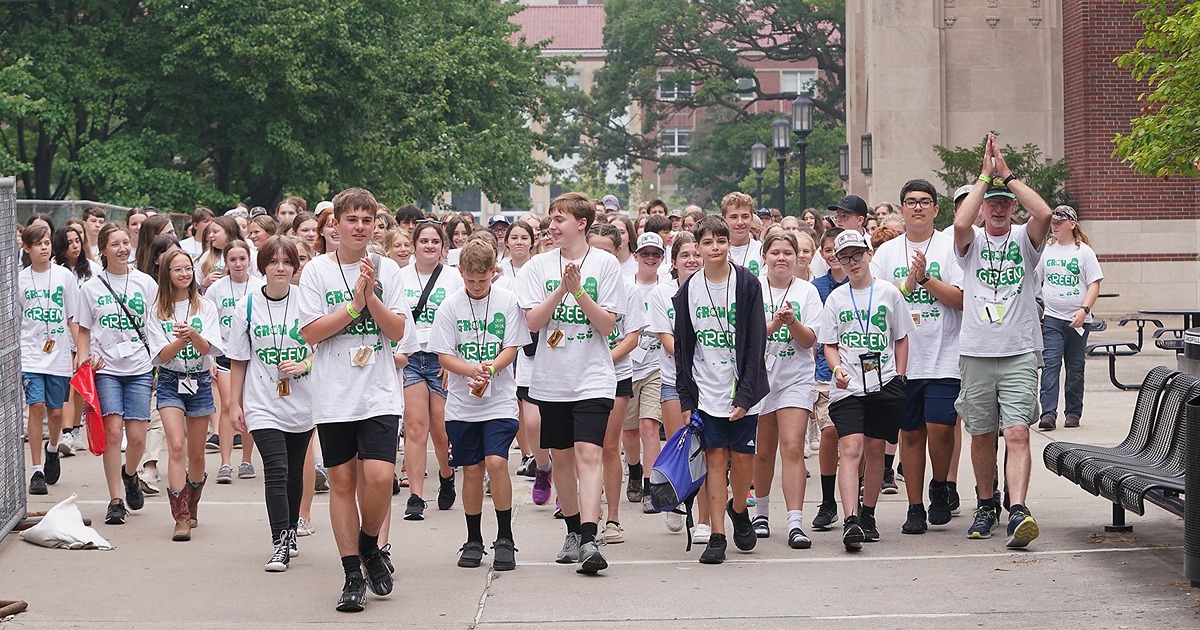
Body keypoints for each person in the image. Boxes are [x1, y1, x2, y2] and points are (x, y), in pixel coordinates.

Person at [298, 188, 408, 612]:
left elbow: (397, 331)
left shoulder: (387, 268)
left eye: (367, 220)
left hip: (378, 392)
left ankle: (368, 544)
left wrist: (371, 298)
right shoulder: (316, 271)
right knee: (342, 483)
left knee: (380, 477)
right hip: (334, 393)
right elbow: (310, 332)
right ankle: (351, 574)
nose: (360, 227)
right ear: (335, 225)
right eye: (352, 220)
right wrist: (352, 306)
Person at [515, 191, 627, 575]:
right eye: (550, 219)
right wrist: (561, 289)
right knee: (561, 457)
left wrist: (579, 290)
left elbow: (608, 324)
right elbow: (532, 322)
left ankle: (591, 537)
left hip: (593, 377)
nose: (552, 226)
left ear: (581, 223)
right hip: (551, 379)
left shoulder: (605, 264)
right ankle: (573, 530)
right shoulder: (538, 266)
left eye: (560, 219)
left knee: (589, 453)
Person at [953, 134, 1052, 548]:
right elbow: (960, 224)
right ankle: (985, 503)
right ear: (983, 207)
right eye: (991, 202)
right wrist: (983, 176)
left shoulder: (1025, 240)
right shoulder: (971, 241)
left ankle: (1019, 510)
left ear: (1012, 207)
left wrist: (1007, 175)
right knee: (980, 434)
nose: (996, 208)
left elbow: (1044, 213)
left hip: (1018, 351)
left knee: (1017, 433)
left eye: (1004, 203)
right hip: (977, 352)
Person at [429, 240, 530, 571]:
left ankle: (505, 537)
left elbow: (512, 346)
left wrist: (491, 369)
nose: (476, 286)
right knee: (472, 469)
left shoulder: (507, 301)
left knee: (497, 462)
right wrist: (471, 370)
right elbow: (444, 355)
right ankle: (473, 538)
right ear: (461, 273)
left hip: (499, 400)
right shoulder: (450, 306)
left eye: (482, 280)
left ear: (493, 272)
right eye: (470, 280)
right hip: (462, 403)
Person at [870, 179, 965, 534]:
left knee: (941, 429)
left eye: (925, 201)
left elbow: (961, 299)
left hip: (944, 355)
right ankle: (914, 507)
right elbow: (874, 301)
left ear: (936, 209)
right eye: (911, 202)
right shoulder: (886, 253)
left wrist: (925, 280)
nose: (918, 207)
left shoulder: (951, 247)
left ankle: (939, 485)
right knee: (909, 434)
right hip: (903, 360)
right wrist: (906, 285)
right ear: (902, 209)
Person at [674, 215, 769, 564]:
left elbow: (756, 341)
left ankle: (738, 509)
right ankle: (717, 534)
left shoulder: (746, 283)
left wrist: (746, 394)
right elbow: (683, 348)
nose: (715, 247)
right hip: (707, 389)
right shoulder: (688, 290)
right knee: (714, 458)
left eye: (721, 241)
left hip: (743, 388)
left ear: (729, 243)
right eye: (708, 242)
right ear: (697, 247)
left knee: (742, 460)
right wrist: (687, 398)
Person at [818, 230, 913, 552]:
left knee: (875, 451)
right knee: (850, 448)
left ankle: (868, 514)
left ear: (869, 254)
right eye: (844, 257)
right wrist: (836, 369)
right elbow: (829, 344)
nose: (852, 262)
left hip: (884, 383)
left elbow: (901, 336)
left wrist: (900, 375)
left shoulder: (889, 293)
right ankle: (850, 519)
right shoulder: (836, 299)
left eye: (857, 254)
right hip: (847, 388)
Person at [228, 236, 315, 571]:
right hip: (262, 401)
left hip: (302, 401)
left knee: (293, 471)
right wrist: (234, 404)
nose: (281, 268)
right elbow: (239, 359)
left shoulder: (307, 301)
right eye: (273, 262)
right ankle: (280, 541)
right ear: (262, 266)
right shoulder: (247, 306)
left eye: (287, 262)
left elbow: (323, 350)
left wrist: (303, 364)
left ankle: (291, 531)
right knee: (276, 469)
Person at [76, 223, 158, 525]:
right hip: (106, 369)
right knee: (112, 433)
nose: (122, 249)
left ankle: (130, 474)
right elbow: (84, 328)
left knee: (137, 438)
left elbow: (157, 322)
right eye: (115, 244)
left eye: (126, 243)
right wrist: (84, 358)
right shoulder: (91, 287)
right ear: (103, 250)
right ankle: (115, 501)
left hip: (139, 367)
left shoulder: (145, 283)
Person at [146, 247, 224, 541]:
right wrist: (181, 340)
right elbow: (161, 355)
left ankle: (192, 503)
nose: (184, 274)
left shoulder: (205, 306)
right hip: (169, 381)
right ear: (166, 274)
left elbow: (209, 349)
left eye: (188, 268)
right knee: (176, 446)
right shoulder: (157, 310)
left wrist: (193, 334)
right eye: (177, 269)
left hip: (199, 380)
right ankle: (180, 516)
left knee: (197, 453)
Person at [752, 230, 822, 549]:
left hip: (795, 378)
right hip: (760, 379)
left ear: (798, 257)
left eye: (788, 253)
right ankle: (761, 514)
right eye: (775, 252)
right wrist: (775, 324)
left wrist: (792, 322)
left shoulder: (808, 291)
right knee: (763, 450)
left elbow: (809, 341)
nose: (781, 258)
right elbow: (748, 336)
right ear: (764, 256)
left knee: (792, 447)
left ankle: (795, 522)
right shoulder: (752, 288)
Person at [399, 222, 464, 520]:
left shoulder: (453, 278)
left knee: (441, 429)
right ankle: (415, 496)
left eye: (434, 241)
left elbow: (462, 320)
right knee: (415, 427)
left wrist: (454, 360)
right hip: (411, 356)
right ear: (414, 244)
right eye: (423, 241)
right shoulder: (400, 277)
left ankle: (446, 476)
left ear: (443, 246)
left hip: (441, 358)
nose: (429, 246)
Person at [586, 224, 645, 545]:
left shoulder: (628, 288)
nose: (601, 257)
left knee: (609, 445)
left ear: (619, 251)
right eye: (595, 250)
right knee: (585, 447)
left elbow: (632, 337)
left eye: (607, 251)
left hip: (615, 373)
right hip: (579, 377)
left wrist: (603, 359)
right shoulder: (576, 287)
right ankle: (588, 513)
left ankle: (613, 517)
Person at [19, 224, 81, 495]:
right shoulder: (20, 280)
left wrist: (80, 351)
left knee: (56, 412)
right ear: (27, 248)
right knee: (37, 407)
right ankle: (36, 470)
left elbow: (73, 317)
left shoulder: (64, 276)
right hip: (31, 353)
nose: (44, 248)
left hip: (58, 353)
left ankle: (52, 449)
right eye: (38, 244)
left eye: (46, 243)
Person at [647, 231, 702, 537]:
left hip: (711, 382)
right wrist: (699, 353)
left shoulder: (713, 288)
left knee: (707, 452)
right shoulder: (661, 294)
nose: (691, 260)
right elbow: (667, 341)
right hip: (674, 381)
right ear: (674, 261)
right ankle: (676, 501)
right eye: (685, 255)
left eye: (696, 254)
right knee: (679, 445)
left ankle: (705, 519)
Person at [205, 240, 265, 483]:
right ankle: (225, 462)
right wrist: (209, 356)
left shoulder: (259, 286)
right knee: (229, 406)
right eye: (233, 260)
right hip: (224, 354)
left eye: (242, 259)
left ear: (249, 260)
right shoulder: (216, 289)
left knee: (248, 407)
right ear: (226, 262)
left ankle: (247, 460)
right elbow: (208, 324)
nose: (238, 264)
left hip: (252, 356)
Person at [1037, 205, 1102, 430]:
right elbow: (1036, 281)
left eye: (1060, 222)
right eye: (1053, 222)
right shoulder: (1047, 250)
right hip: (1052, 317)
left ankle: (1073, 412)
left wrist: (1084, 309)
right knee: (1050, 365)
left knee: (1075, 368)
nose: (1055, 226)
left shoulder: (1084, 252)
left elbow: (1094, 284)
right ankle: (1048, 413)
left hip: (1078, 320)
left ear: (1072, 224)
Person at [621, 233, 667, 521]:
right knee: (629, 431)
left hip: (655, 367)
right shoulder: (625, 287)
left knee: (649, 426)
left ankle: (651, 487)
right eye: (645, 253)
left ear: (662, 258)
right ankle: (635, 470)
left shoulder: (667, 289)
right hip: (627, 367)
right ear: (635, 256)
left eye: (656, 254)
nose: (650, 259)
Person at [809, 228, 849, 531]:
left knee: (856, 440)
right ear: (822, 254)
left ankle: (856, 500)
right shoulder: (816, 287)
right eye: (828, 249)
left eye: (839, 249)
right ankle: (827, 501)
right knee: (830, 432)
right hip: (825, 373)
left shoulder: (862, 282)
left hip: (860, 372)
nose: (834, 254)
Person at [721, 193, 762, 276]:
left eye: (745, 217)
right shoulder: (717, 250)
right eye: (734, 217)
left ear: (752, 218)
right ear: (724, 219)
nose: (740, 222)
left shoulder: (761, 250)